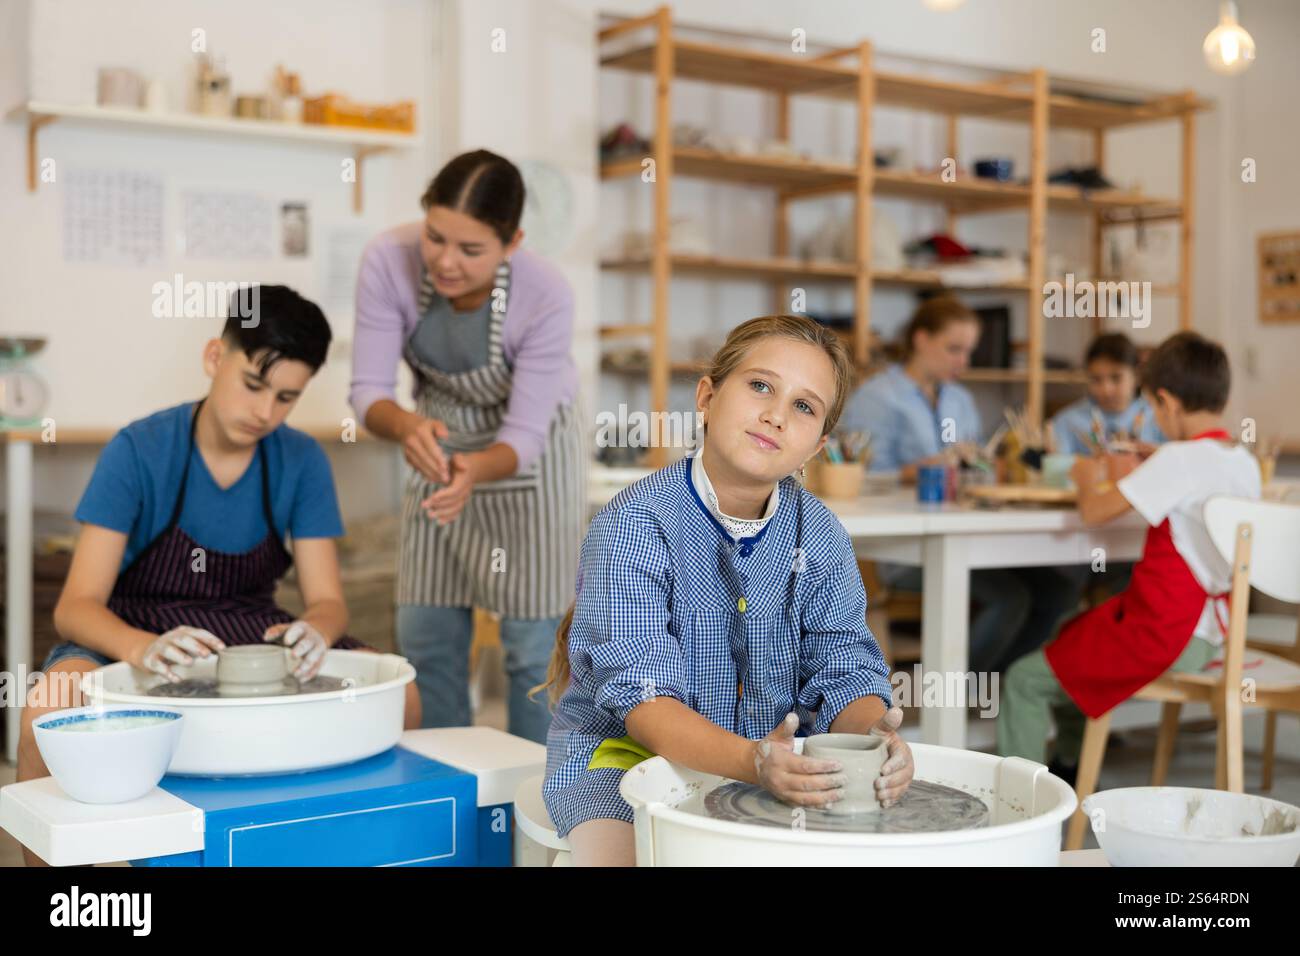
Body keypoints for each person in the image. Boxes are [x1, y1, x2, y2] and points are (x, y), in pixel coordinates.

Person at [18, 287, 420, 865]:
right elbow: (76, 605)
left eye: (286, 398)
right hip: (132, 630)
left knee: (401, 697)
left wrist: (315, 631)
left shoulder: (300, 461)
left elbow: (328, 600)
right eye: (253, 385)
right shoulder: (140, 448)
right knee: (47, 713)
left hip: (249, 630)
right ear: (214, 357)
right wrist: (144, 648)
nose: (264, 412)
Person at [540, 314, 914, 866]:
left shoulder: (822, 535)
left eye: (803, 407)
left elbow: (844, 667)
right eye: (760, 386)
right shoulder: (634, 523)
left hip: (775, 764)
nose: (775, 415)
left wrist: (874, 738)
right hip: (626, 756)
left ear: (820, 446)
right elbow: (645, 703)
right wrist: (752, 761)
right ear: (707, 397)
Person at [351, 150, 585, 744]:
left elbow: (524, 436)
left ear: (512, 242)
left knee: (534, 655)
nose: (445, 263)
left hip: (529, 461)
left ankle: (539, 807)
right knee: (426, 634)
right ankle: (449, 798)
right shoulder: (387, 260)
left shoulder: (545, 293)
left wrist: (472, 471)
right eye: (435, 238)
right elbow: (368, 394)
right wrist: (408, 428)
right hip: (436, 440)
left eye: (470, 250)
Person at [997, 332, 1260, 780]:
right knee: (1069, 631)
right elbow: (1196, 468)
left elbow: (1094, 511)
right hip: (1212, 635)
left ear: (1165, 402)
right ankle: (1072, 767)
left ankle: (1022, 806)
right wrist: (1157, 457)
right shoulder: (1242, 462)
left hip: (1165, 635)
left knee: (1023, 678)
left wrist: (1083, 475)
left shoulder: (1177, 461)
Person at [840, 296, 1077, 673]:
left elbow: (974, 465)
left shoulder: (960, 399)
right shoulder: (877, 397)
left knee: (1057, 589)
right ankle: (960, 700)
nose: (963, 362)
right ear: (920, 339)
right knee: (1011, 598)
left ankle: (1006, 690)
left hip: (964, 532)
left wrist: (980, 463)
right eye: (954, 349)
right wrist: (927, 468)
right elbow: (860, 476)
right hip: (901, 545)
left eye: (969, 351)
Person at [1049, 332, 1164, 456]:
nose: (1106, 390)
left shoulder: (1159, 417)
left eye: (1116, 378)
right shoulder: (1067, 421)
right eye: (1096, 379)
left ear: (1136, 376)